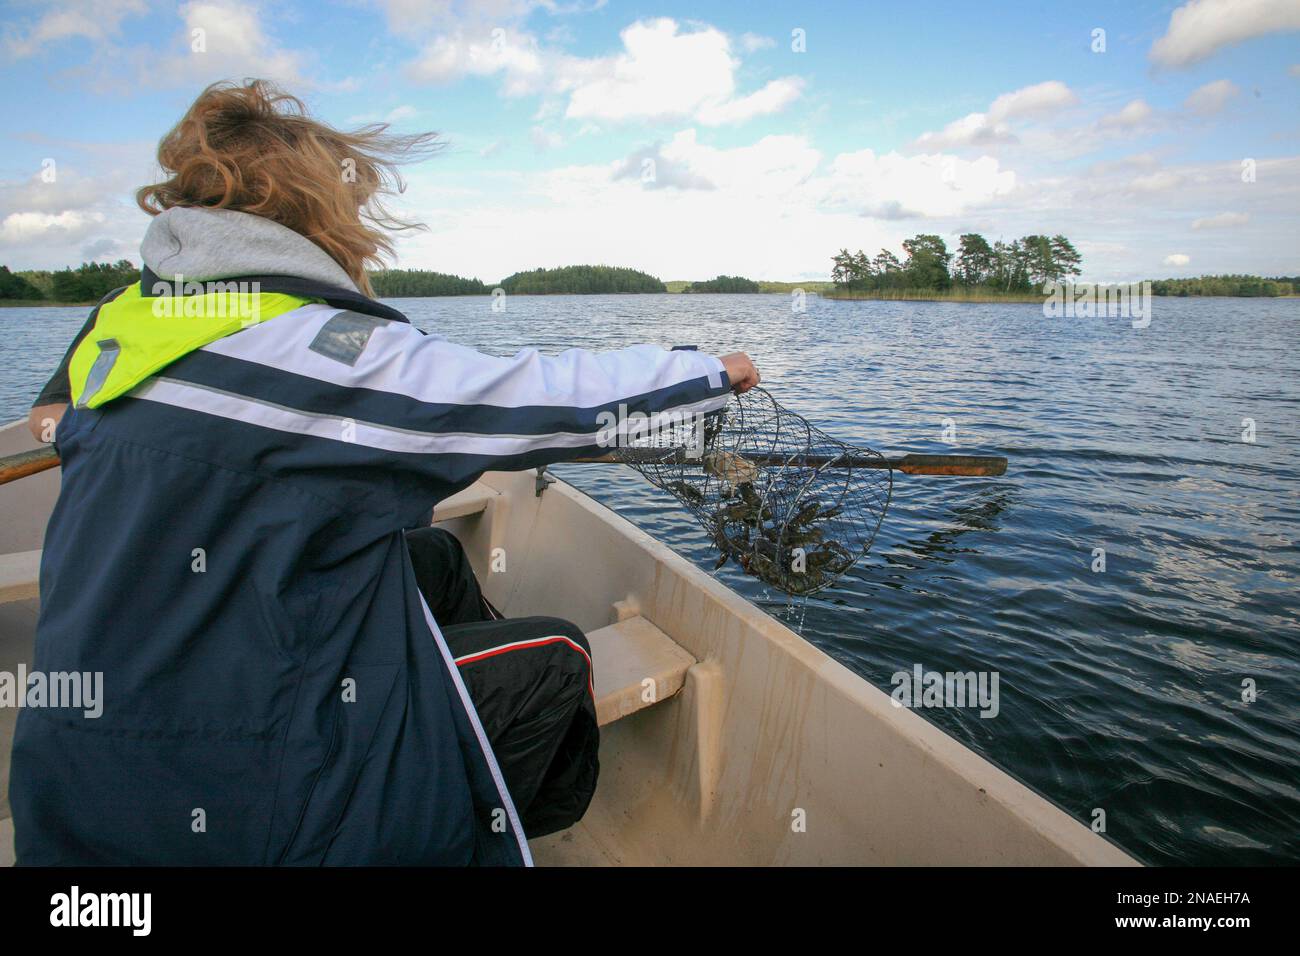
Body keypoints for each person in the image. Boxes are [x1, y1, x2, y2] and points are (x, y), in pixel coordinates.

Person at [11, 79, 759, 866]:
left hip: (73, 778)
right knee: (558, 658)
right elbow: (530, 400)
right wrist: (707, 372)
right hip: (238, 790)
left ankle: (455, 682)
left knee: (430, 554)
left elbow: (50, 419)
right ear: (312, 212)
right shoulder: (317, 350)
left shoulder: (125, 317)